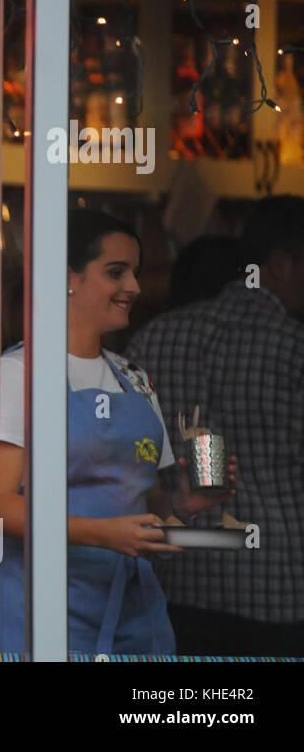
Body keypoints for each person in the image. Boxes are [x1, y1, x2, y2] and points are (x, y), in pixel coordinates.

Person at [0, 210, 235, 654]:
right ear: (67, 277)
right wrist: (102, 534)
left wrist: (183, 504)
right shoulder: (16, 375)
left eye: (135, 272)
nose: (134, 287)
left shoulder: (135, 379)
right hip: (38, 609)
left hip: (131, 611)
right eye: (116, 272)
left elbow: (140, 505)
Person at [127, 196, 304, 656]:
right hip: (279, 585)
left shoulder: (153, 339)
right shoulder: (293, 347)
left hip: (176, 577)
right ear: (280, 264)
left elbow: (129, 460)